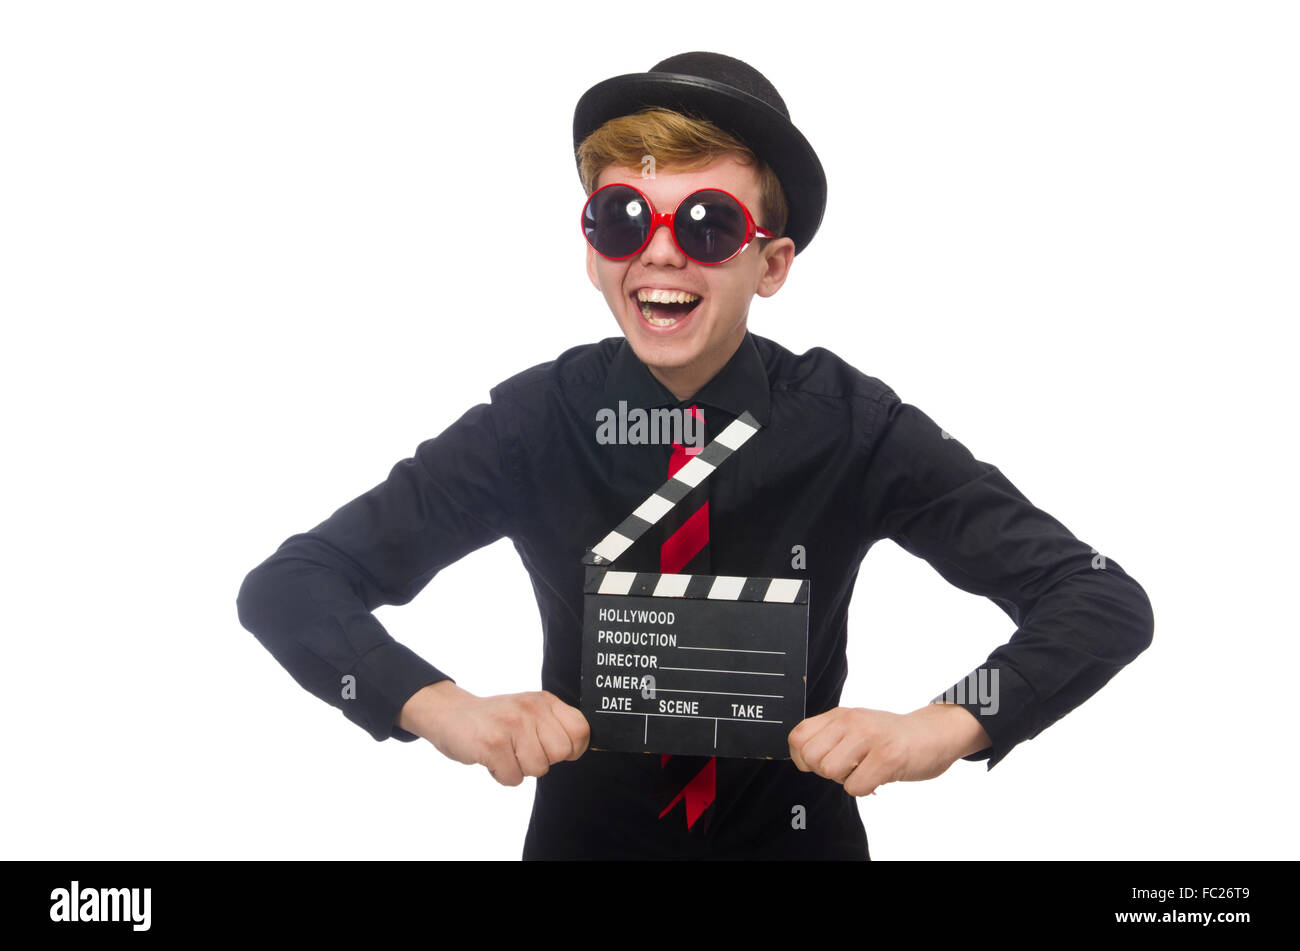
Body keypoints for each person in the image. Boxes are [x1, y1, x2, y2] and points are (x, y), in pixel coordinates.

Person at [236, 51, 1154, 860]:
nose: (662, 255)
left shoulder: (853, 427)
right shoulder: (535, 423)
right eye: (625, 219)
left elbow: (1097, 596)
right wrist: (440, 707)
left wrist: (948, 723)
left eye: (709, 225)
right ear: (593, 254)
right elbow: (294, 583)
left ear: (773, 263)